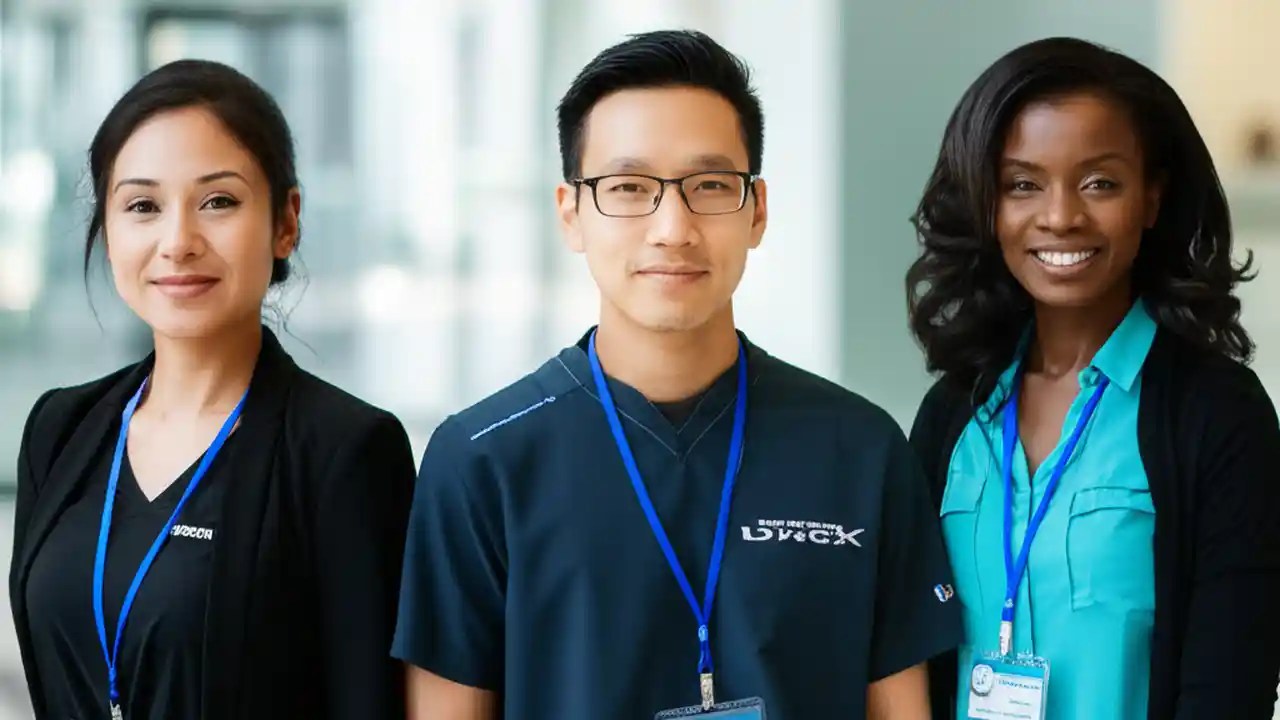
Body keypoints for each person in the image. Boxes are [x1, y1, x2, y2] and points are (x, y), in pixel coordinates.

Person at [393, 29, 961, 720]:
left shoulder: (861, 450)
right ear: (570, 214)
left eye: (710, 185)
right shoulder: (482, 459)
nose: (673, 226)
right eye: (629, 187)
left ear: (758, 210)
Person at [10, 60, 416, 720]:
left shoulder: (345, 452)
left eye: (218, 201)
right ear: (108, 233)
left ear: (286, 221)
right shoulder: (60, 430)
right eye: (142, 206)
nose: (177, 242)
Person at [906, 37, 1280, 720]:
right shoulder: (952, 413)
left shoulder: (1218, 412)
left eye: (1099, 182)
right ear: (987, 203)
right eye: (1023, 183)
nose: (1060, 216)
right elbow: (909, 661)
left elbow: (1234, 678)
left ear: (1152, 198)